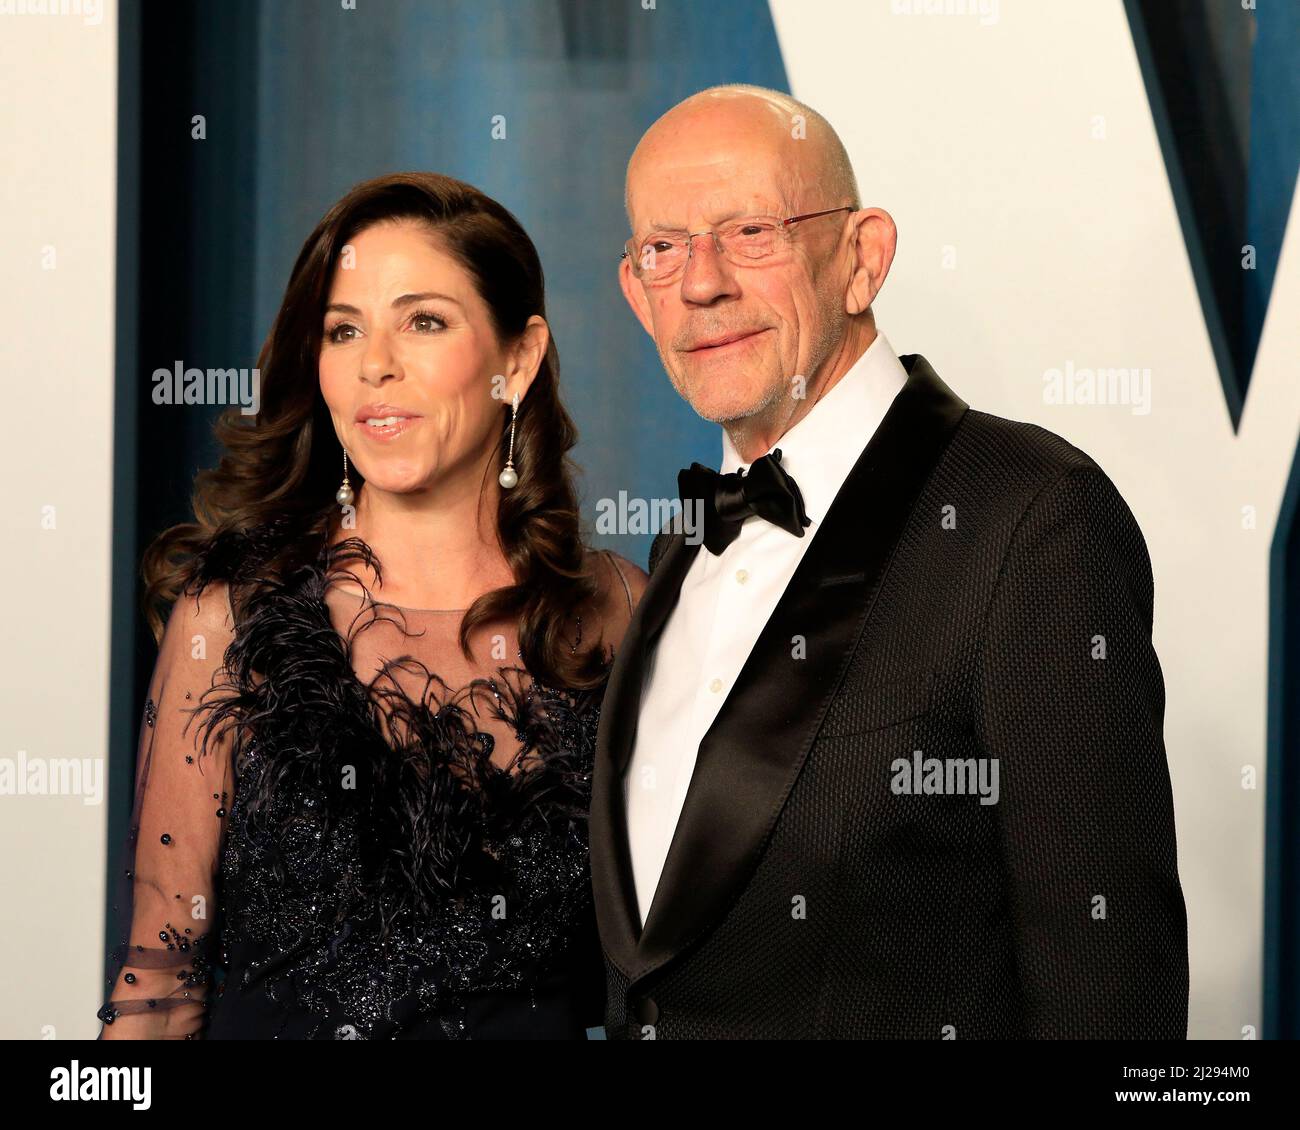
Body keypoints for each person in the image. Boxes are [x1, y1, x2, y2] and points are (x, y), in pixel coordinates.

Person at [591, 84, 1189, 1039]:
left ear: (861, 258)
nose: (701, 284)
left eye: (752, 231)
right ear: (636, 291)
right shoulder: (675, 550)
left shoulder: (1030, 519)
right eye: (664, 249)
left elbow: (1111, 997)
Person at [97, 171, 647, 1040]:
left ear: (519, 356)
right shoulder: (231, 618)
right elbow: (160, 988)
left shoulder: (612, 612)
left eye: (423, 321)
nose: (375, 364)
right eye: (343, 330)